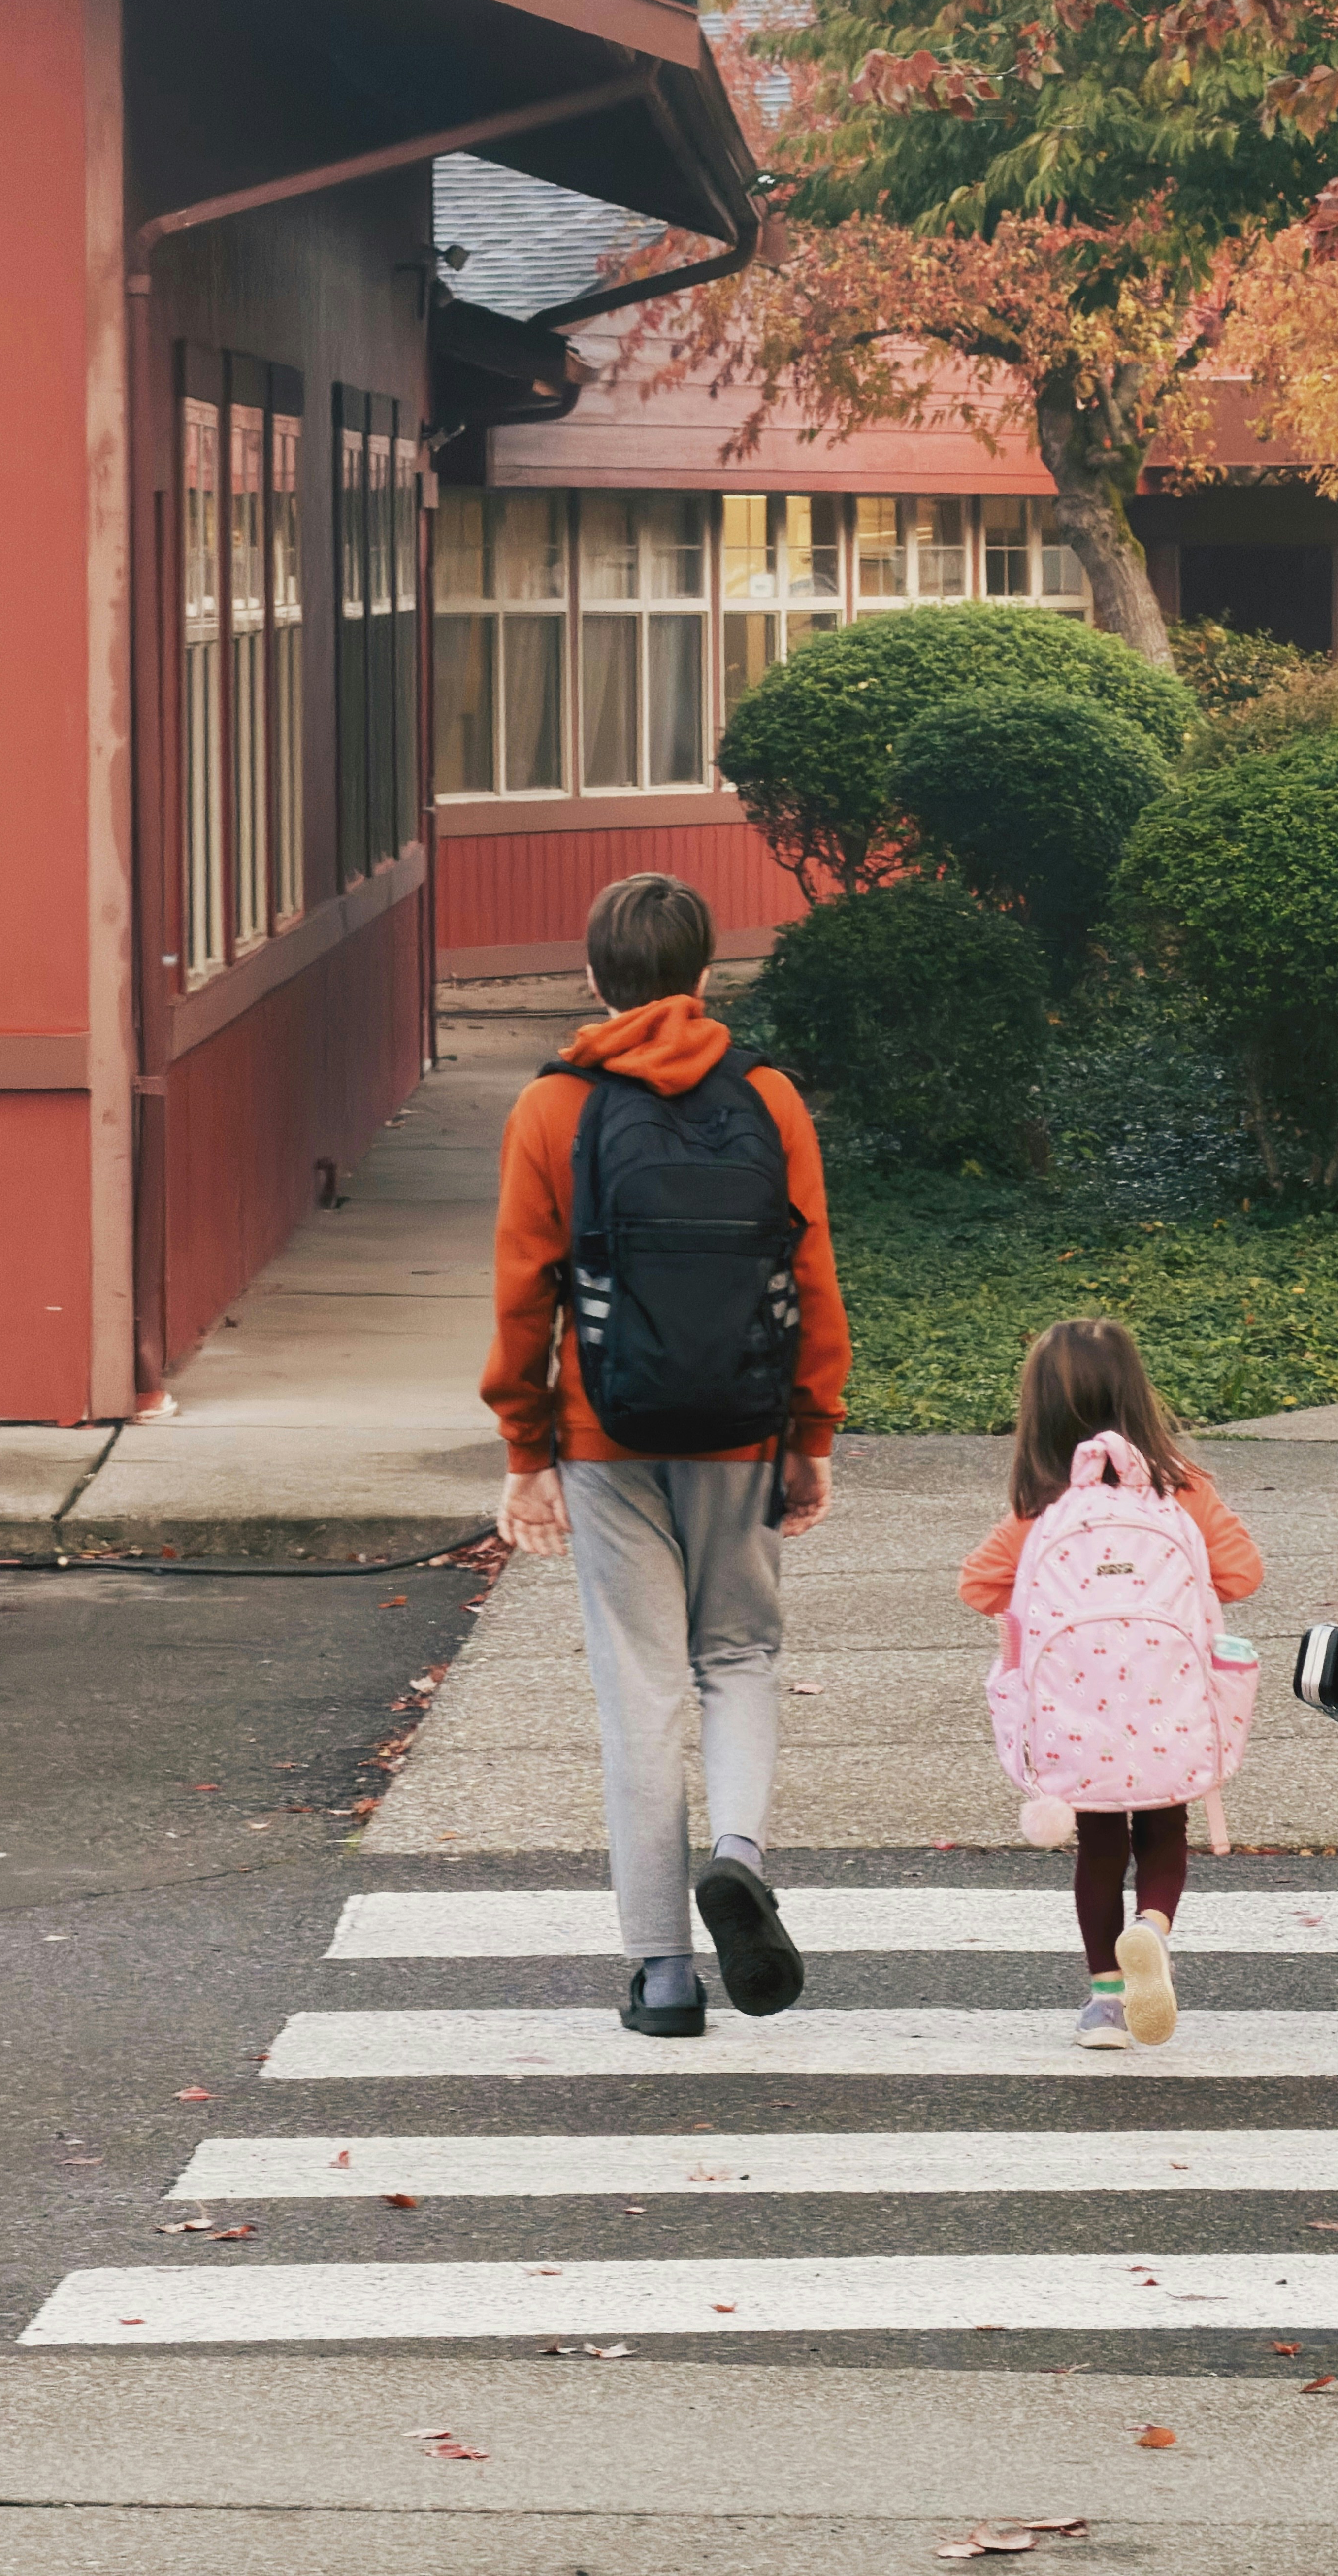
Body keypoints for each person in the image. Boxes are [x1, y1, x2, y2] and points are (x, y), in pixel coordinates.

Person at [486, 871, 848, 2040]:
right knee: (738, 1651)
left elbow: (523, 1292)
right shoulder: (772, 1098)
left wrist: (524, 1446)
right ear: (704, 974)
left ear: (595, 977)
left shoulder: (554, 1107)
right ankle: (736, 1853)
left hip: (608, 1430)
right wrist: (811, 1435)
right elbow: (812, 1278)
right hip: (741, 1424)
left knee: (638, 1689)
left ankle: (663, 1975)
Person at [960, 1319, 1264, 2048]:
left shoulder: (1040, 1509)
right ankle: (1151, 1929)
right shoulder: (1181, 1491)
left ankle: (1104, 2003)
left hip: (1077, 1717)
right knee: (1165, 1828)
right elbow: (1243, 1574)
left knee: (1099, 1847)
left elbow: (978, 1587)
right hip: (1172, 1709)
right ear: (1138, 1398)